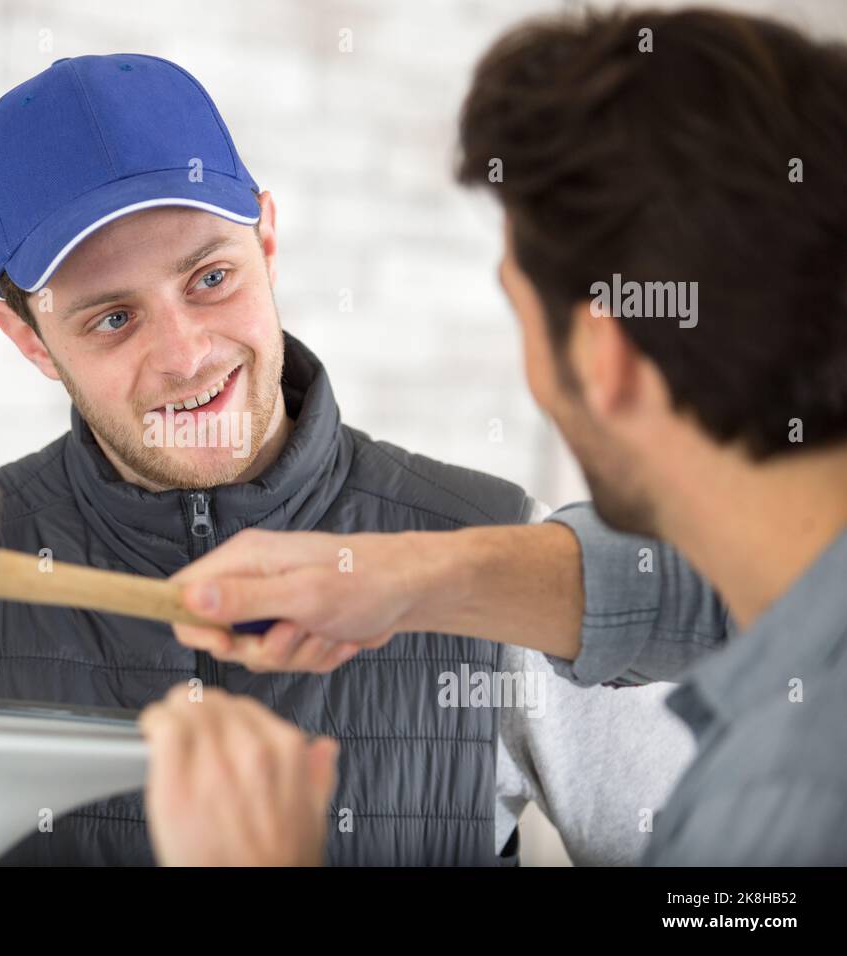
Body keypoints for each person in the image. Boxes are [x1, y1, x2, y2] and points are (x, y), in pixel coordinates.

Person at [0, 53, 695, 867]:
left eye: (210, 278)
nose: (187, 354)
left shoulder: (501, 553)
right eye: (112, 317)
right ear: (31, 341)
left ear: (267, 241)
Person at [160, 7, 847, 865]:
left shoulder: (778, 807)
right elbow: (710, 593)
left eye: (519, 309)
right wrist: (409, 576)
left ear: (605, 357)